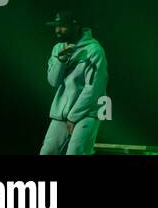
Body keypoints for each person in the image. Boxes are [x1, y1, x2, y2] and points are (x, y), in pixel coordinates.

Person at [39, 10, 108, 155]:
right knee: (47, 152)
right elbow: (53, 82)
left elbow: (94, 88)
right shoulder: (58, 48)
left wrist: (73, 117)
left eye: (62, 26)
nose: (57, 30)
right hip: (62, 112)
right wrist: (61, 60)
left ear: (75, 26)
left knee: (76, 152)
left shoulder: (94, 50)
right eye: (56, 26)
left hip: (88, 111)